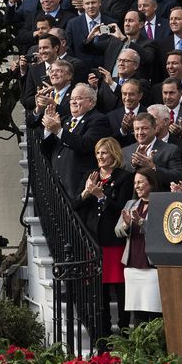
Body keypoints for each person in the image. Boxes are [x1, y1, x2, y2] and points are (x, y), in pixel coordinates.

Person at [71, 138, 134, 338]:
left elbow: (123, 208)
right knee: (99, 294)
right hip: (94, 242)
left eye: (104, 153)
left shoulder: (125, 177)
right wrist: (87, 192)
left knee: (121, 291)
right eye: (98, 153)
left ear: (114, 154)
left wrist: (101, 196)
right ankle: (103, 337)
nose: (100, 157)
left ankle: (124, 333)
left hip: (114, 242)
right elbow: (75, 205)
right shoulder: (92, 176)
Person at [115, 168, 162, 326]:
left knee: (155, 313)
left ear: (151, 183)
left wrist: (141, 222)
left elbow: (161, 232)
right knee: (138, 314)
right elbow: (117, 231)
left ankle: (157, 349)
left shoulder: (161, 203)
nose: (137, 186)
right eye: (135, 183)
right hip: (132, 265)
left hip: (151, 266)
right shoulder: (131, 204)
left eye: (141, 182)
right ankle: (140, 349)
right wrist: (127, 225)